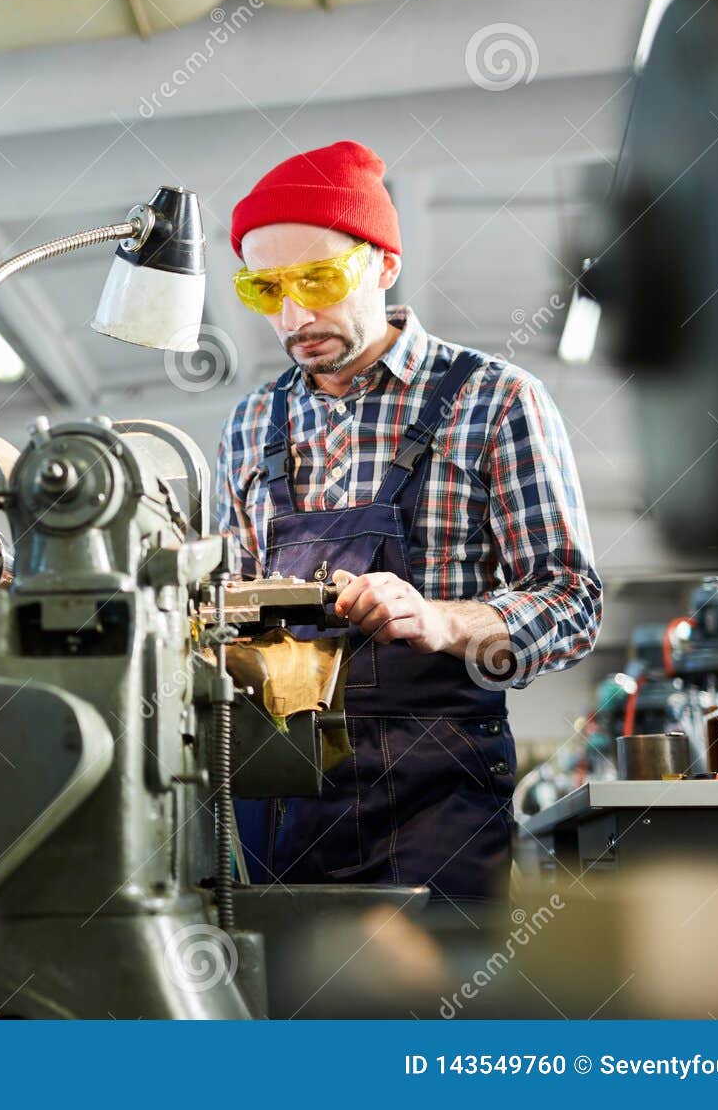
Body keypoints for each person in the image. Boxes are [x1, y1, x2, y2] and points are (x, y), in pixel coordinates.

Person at [217, 140, 602, 903]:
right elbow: (226, 608)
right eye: (267, 290)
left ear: (383, 263)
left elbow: (573, 604)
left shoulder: (495, 401)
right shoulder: (249, 424)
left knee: (433, 1013)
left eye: (319, 280)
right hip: (284, 802)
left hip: (437, 802)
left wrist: (439, 619)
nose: (296, 315)